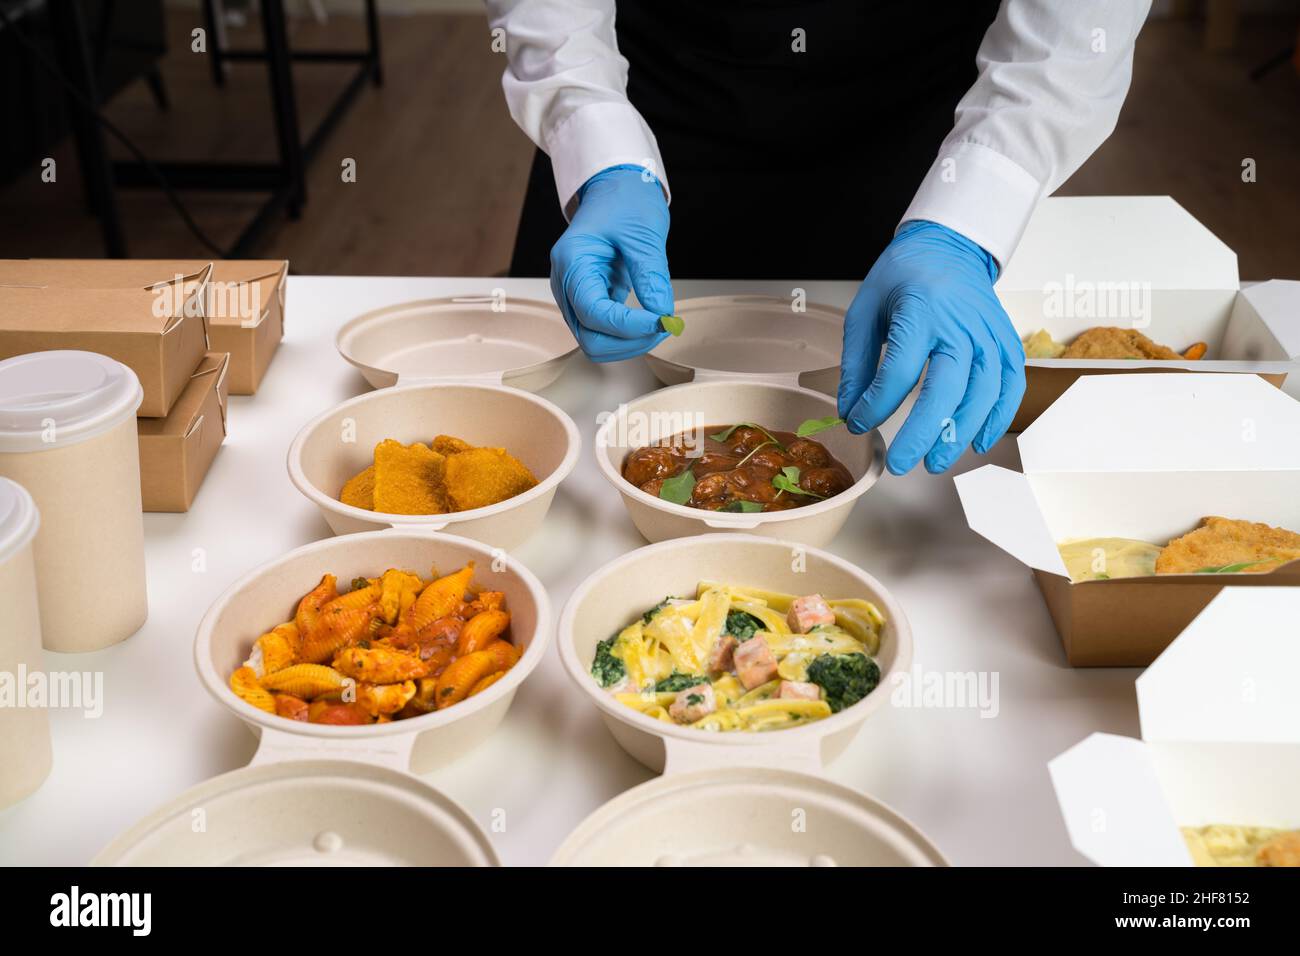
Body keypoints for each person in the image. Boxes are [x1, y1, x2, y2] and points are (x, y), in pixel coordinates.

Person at [485, 1, 1151, 474]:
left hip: (927, 138)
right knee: (549, 423)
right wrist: (595, 142)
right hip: (649, 96)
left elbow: (1078, 30)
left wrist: (963, 228)